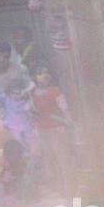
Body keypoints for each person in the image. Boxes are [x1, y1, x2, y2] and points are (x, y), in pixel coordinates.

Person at [27, 62, 75, 194]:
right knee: (49, 159)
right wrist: (35, 127)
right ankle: (58, 187)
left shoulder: (55, 91)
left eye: (47, 72)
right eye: (40, 73)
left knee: (63, 158)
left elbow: (65, 108)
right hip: (43, 131)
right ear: (34, 77)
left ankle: (69, 187)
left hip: (57, 129)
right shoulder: (32, 93)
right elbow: (32, 112)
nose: (45, 75)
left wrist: (68, 122)